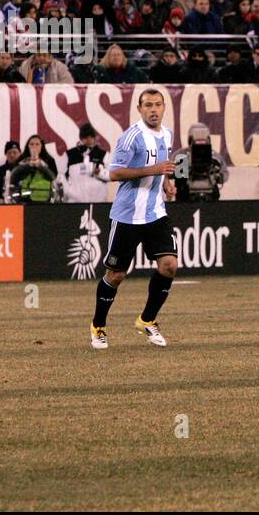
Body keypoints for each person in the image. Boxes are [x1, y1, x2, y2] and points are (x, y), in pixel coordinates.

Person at [91, 89, 178, 351]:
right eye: (148, 105)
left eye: (158, 105)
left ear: (164, 108)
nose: (153, 109)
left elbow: (162, 167)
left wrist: (166, 183)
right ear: (139, 109)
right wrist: (153, 171)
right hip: (127, 216)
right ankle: (98, 326)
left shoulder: (167, 134)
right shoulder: (131, 138)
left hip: (155, 214)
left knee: (169, 265)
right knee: (116, 275)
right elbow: (115, 173)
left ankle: (147, 319)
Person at [61, 123, 110, 203]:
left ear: (94, 138)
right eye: (85, 137)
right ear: (81, 138)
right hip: (74, 202)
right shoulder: (69, 154)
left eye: (91, 137)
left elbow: (111, 175)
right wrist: (68, 191)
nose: (88, 140)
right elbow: (60, 175)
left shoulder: (103, 154)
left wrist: (100, 173)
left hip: (98, 202)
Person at [9, 134, 58, 203]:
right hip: (24, 198)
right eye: (31, 144)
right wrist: (27, 166)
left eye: (37, 144)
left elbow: (54, 178)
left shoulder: (49, 160)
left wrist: (41, 166)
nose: (34, 147)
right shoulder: (21, 160)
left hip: (44, 198)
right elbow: (14, 177)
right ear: (27, 146)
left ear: (42, 146)